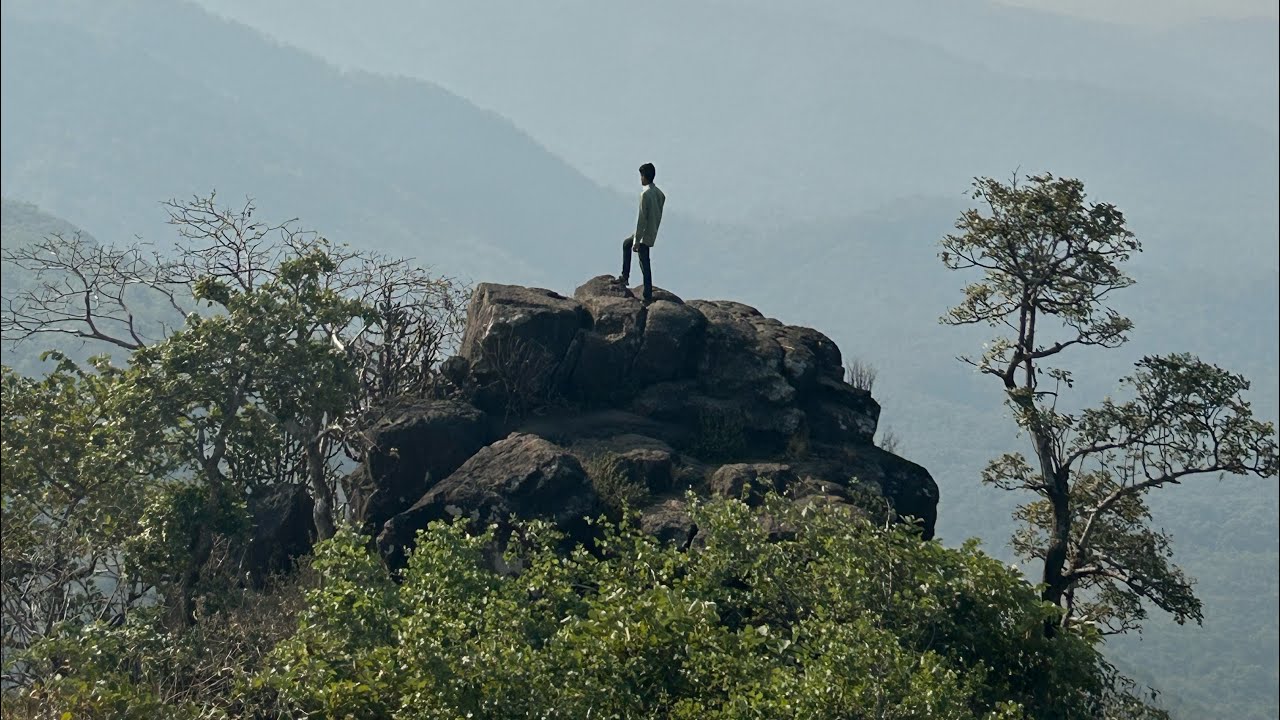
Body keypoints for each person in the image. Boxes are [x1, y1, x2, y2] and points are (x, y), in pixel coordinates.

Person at [619, 162, 666, 303]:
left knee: (643, 262)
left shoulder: (645, 194)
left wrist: (637, 240)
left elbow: (641, 219)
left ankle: (646, 294)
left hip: (644, 234)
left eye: (641, 176)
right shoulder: (659, 193)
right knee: (628, 246)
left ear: (644, 177)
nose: (640, 179)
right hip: (652, 231)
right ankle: (626, 277)